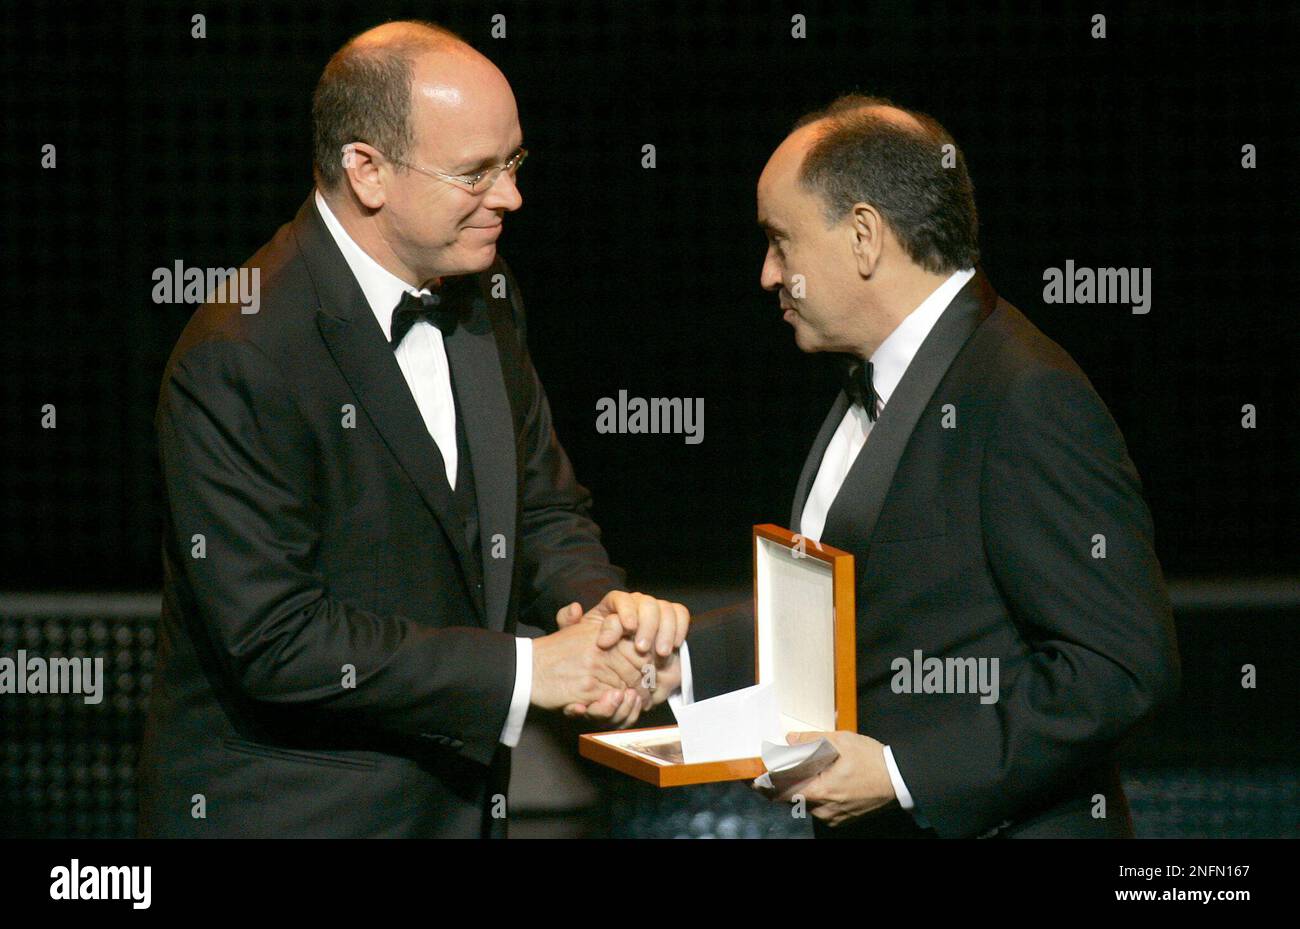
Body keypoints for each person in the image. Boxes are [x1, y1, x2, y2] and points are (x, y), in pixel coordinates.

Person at [138, 20, 686, 839]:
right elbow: (277, 638)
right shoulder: (241, 352)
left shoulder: (485, 294)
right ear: (367, 170)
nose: (510, 197)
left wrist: (602, 614)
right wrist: (529, 670)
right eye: (476, 173)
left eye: (514, 163)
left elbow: (540, 508)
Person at [606, 95, 1181, 838]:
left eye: (781, 241)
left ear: (865, 236)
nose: (768, 274)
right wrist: (679, 659)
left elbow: (1120, 667)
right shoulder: (877, 381)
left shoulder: (1024, 396)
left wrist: (901, 773)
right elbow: (866, 609)